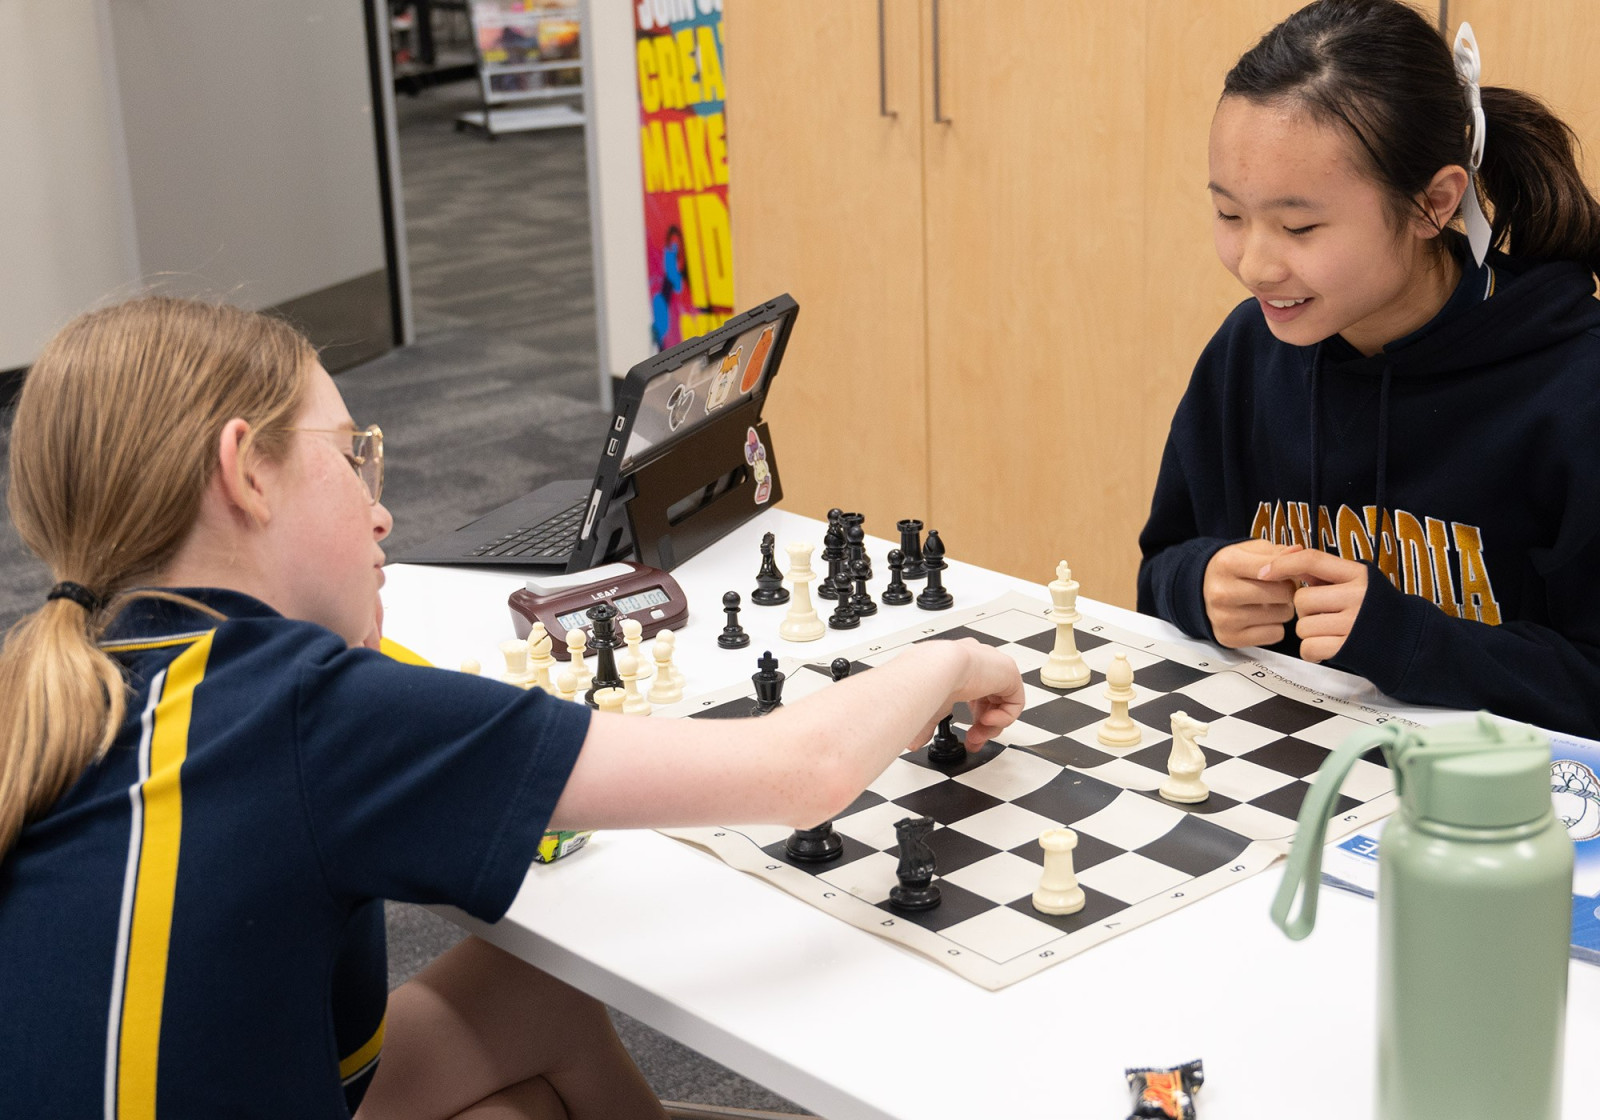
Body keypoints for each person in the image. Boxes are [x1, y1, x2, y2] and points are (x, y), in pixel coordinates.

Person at [0, 297, 1025, 1119]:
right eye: (354, 454)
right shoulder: (309, 711)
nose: (382, 505)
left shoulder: (65, 678)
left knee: (535, 995)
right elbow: (804, 776)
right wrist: (954, 657)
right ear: (245, 473)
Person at [1137, 0, 1600, 738]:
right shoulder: (1249, 349)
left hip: (1496, 814)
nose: (1254, 265)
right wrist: (1199, 584)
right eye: (1229, 215)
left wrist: (1408, 639)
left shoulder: (1573, 387)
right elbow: (1162, 562)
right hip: (1280, 778)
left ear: (1434, 204)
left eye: (1299, 227)